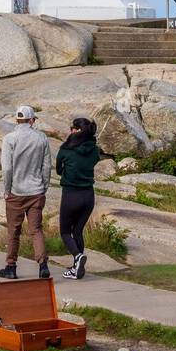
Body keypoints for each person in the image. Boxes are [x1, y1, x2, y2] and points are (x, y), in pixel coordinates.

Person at [0, 105, 53, 280]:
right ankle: (43, 264)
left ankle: (11, 266)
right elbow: (46, 166)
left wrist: (7, 190)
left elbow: (7, 168)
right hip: (36, 191)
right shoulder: (41, 138)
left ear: (17, 120)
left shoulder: (9, 139)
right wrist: (45, 185)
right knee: (36, 229)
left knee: (14, 231)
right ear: (31, 120)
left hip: (16, 191)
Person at [55, 117, 102, 280]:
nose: (70, 131)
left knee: (65, 232)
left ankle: (77, 256)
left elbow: (59, 171)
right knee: (78, 231)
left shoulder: (66, 150)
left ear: (76, 131)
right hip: (88, 196)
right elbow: (95, 160)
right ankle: (77, 269)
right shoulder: (95, 150)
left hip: (71, 195)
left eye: (72, 128)